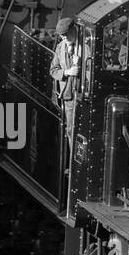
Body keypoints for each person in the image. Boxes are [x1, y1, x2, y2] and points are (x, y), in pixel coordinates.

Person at [50, 17, 82, 155]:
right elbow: (53, 70)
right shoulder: (60, 47)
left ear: (74, 29)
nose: (64, 38)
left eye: (66, 34)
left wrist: (80, 65)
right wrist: (67, 72)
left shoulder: (86, 46)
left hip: (82, 95)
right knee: (70, 130)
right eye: (61, 36)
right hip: (69, 96)